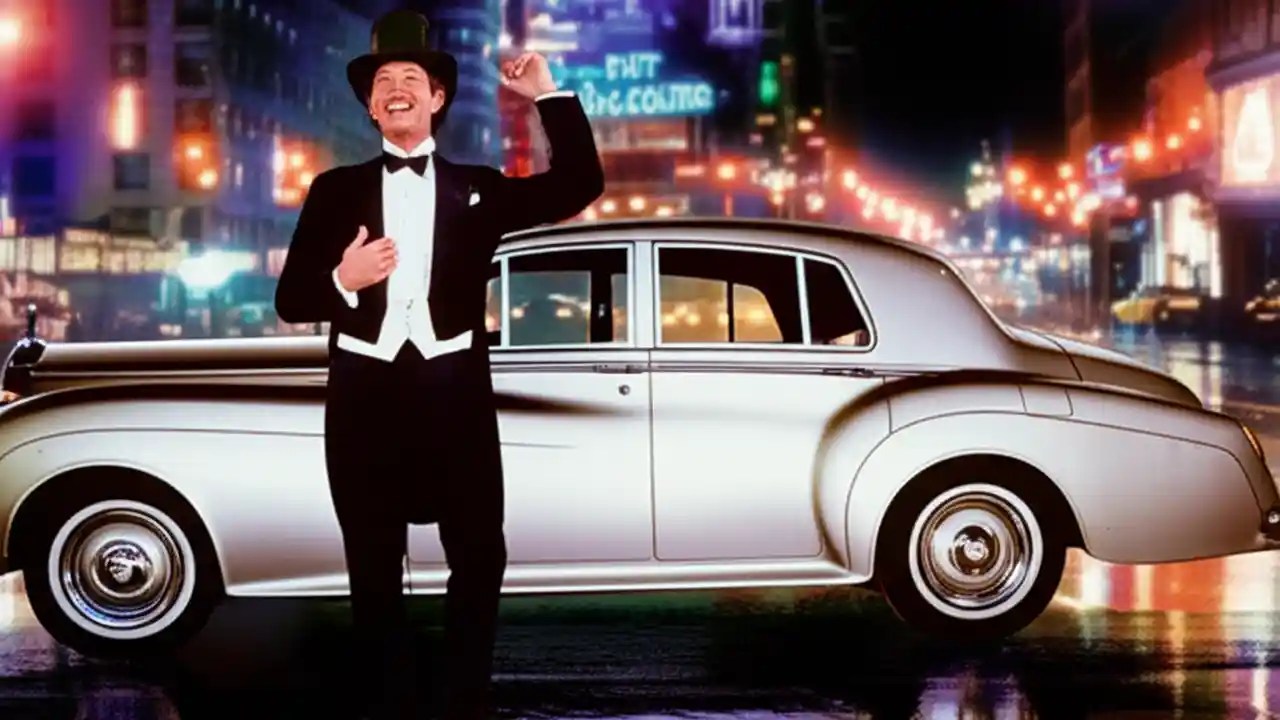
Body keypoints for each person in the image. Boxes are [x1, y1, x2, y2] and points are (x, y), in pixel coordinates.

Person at [273, 9, 603, 718]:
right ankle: (388, 702)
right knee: (372, 570)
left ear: (437, 97)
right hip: (363, 404)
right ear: (370, 105)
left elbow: (579, 184)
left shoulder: (478, 187)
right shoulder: (334, 190)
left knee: (480, 558)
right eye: (383, 82)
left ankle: (463, 700)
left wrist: (547, 94)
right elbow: (291, 298)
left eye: (411, 79)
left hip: (457, 402)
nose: (396, 90)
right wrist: (343, 280)